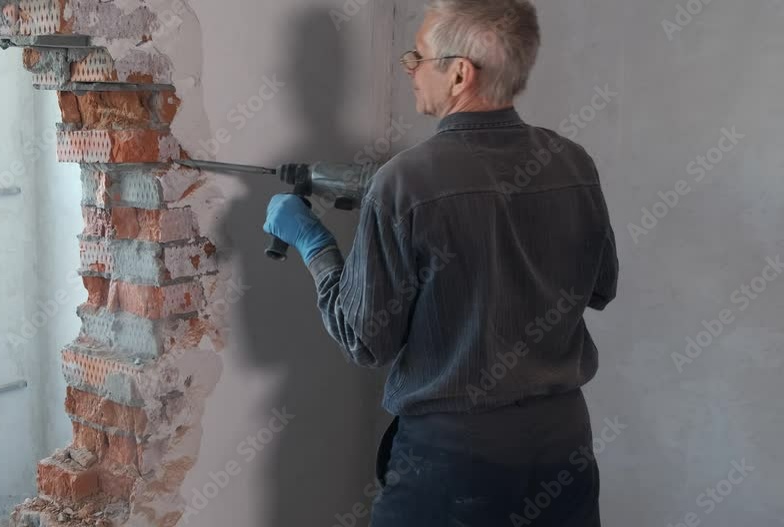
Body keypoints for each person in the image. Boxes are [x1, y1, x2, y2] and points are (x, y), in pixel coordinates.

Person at [262, 0, 619, 525]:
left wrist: (312, 240)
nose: (409, 69)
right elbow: (599, 288)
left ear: (458, 74)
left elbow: (363, 338)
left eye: (418, 56)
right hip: (563, 448)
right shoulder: (572, 161)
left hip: (455, 463)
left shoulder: (405, 182)